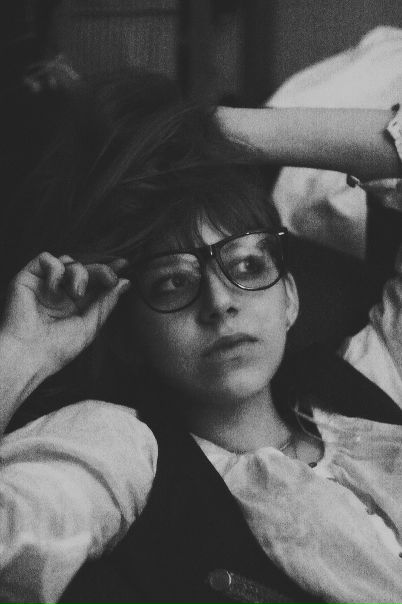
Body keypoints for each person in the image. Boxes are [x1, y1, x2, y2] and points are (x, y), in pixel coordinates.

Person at [0, 71, 401, 604]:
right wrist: (20, 355)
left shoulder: (375, 372)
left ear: (289, 297)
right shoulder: (118, 447)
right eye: (173, 282)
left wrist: (205, 130)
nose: (220, 302)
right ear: (128, 333)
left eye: (247, 264)